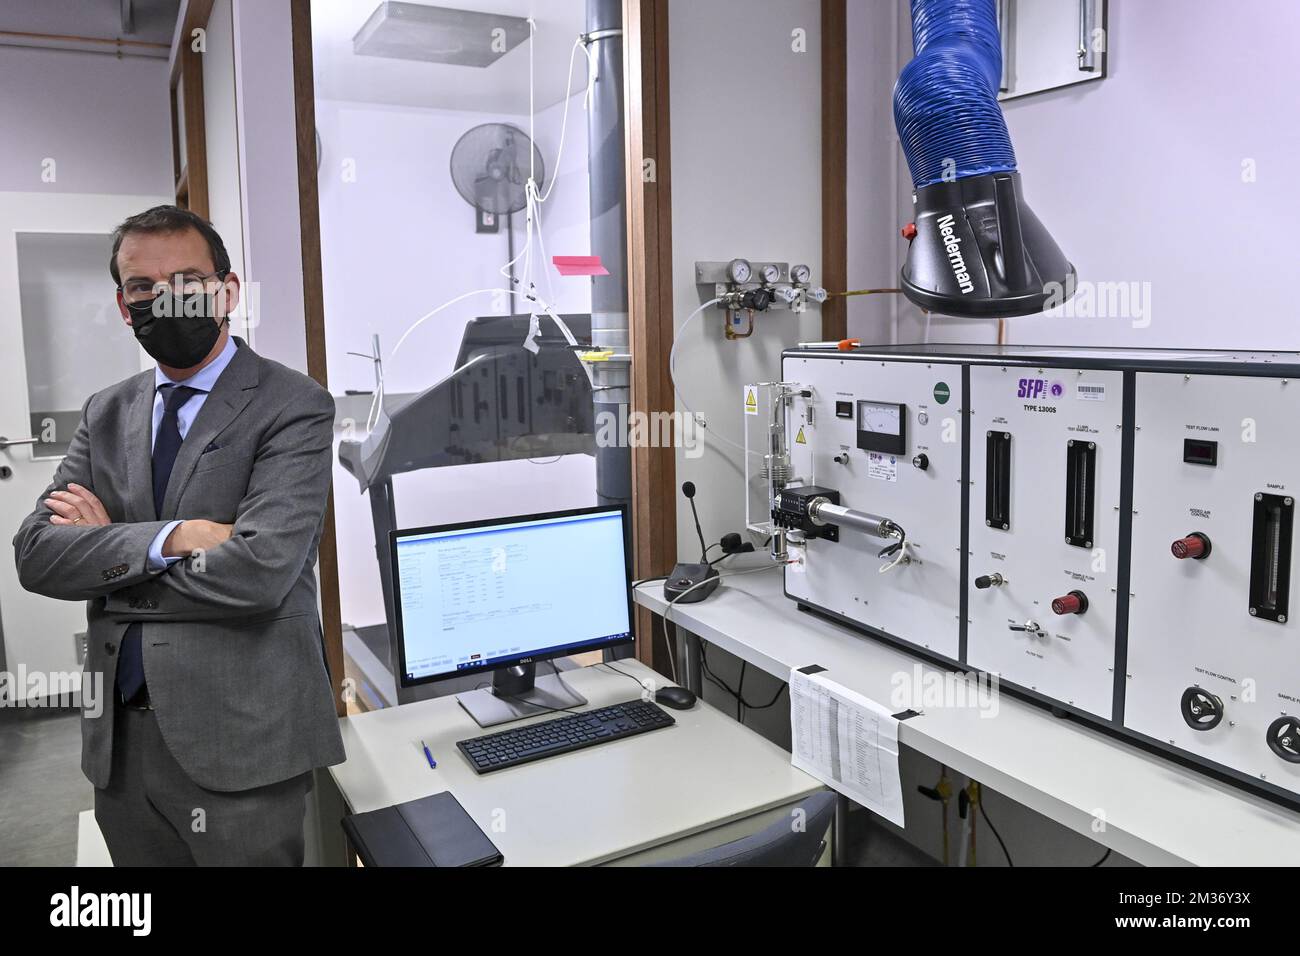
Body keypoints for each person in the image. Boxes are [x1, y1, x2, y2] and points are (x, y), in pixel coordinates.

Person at [13, 205, 344, 866]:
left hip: (241, 742)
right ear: (122, 303)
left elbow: (260, 572)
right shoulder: (107, 411)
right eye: (143, 287)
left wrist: (109, 558)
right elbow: (37, 556)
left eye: (187, 279)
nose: (163, 298)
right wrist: (177, 537)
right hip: (120, 744)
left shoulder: (294, 404)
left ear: (228, 290)